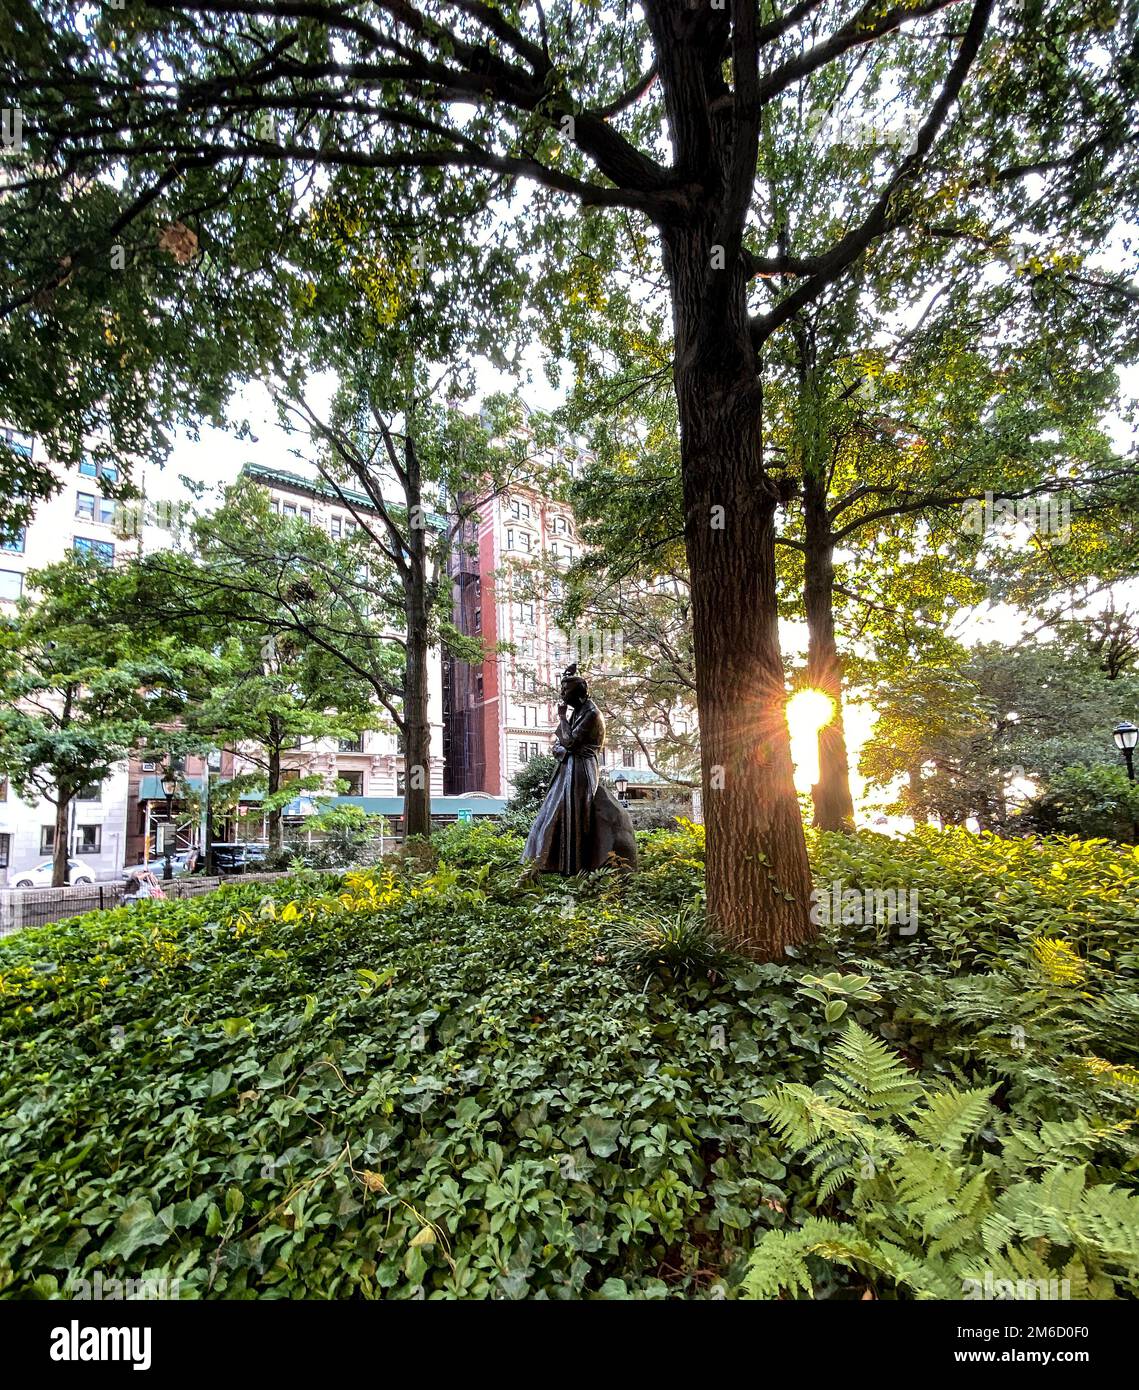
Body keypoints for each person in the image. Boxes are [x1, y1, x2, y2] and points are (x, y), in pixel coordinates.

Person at [522, 664, 637, 874]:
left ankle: (573, 866)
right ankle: (542, 863)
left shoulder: (592, 713)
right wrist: (564, 745)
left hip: (581, 770)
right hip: (569, 768)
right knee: (550, 814)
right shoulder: (580, 712)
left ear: (578, 691)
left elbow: (570, 742)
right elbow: (561, 744)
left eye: (565, 690)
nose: (562, 694)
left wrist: (562, 719)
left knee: (571, 814)